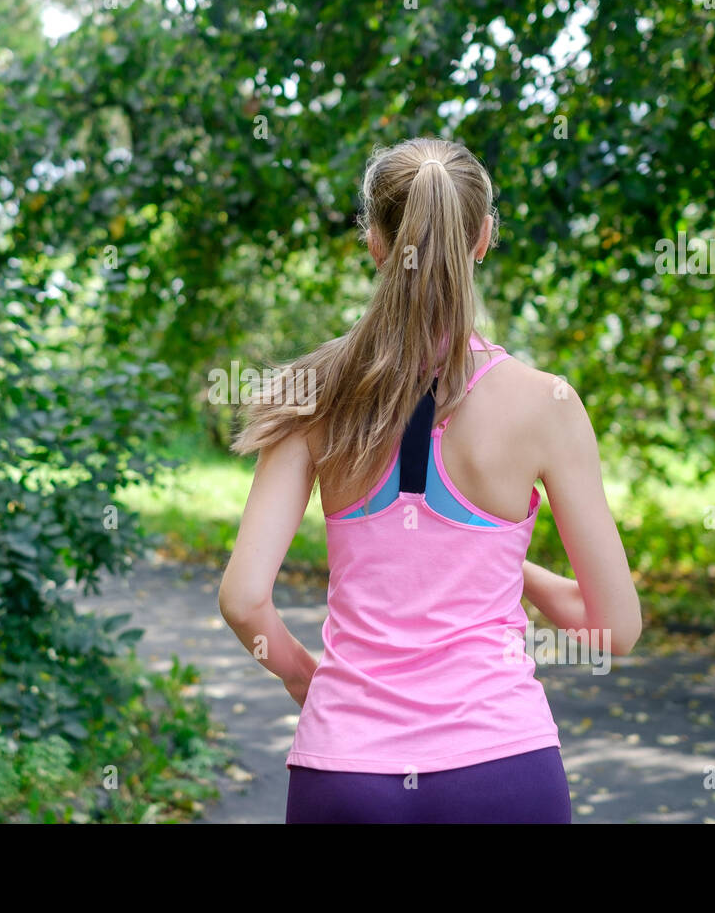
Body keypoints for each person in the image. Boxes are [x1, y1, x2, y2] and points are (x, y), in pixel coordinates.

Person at [217, 137, 642, 823]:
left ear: (375, 243)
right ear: (483, 236)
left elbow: (243, 599)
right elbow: (615, 629)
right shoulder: (546, 405)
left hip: (347, 772)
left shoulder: (311, 392)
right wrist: (507, 564)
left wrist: (309, 679)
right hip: (504, 770)